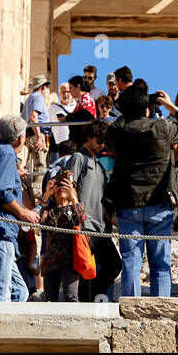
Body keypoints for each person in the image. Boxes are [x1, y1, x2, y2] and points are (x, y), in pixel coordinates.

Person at [104, 87, 178, 297]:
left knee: (131, 262)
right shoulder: (162, 128)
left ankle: (131, 308)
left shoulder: (118, 132)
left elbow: (110, 136)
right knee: (161, 264)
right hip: (159, 205)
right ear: (147, 109)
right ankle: (160, 310)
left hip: (128, 205)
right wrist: (169, 106)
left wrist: (126, 114)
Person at [0, 115, 41, 302]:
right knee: (0, 292)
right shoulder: (5, 153)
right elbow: (1, 191)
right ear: (21, 138)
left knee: (19, 292)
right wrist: (23, 213)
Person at [65, 121, 122, 301]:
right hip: (84, 226)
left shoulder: (99, 165)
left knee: (114, 264)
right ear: (89, 137)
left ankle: (91, 298)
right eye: (99, 140)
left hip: (101, 228)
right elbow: (67, 188)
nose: (102, 145)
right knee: (84, 271)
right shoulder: (78, 158)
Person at [38, 171, 86, 302]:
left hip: (70, 261)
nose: (61, 188)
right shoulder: (49, 212)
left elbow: (82, 218)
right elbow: (37, 219)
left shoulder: (75, 208)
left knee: (71, 297)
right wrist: (46, 195)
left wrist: (73, 197)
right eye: (58, 185)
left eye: (65, 184)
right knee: (49, 300)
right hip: (50, 262)